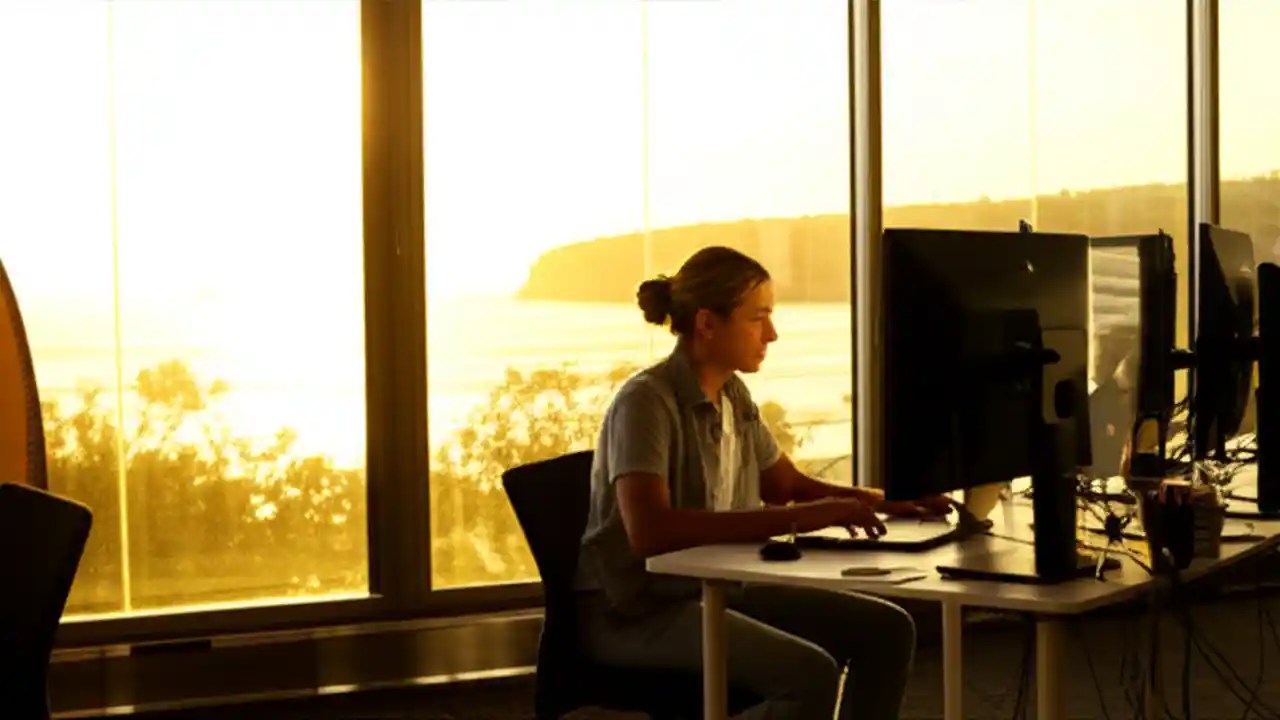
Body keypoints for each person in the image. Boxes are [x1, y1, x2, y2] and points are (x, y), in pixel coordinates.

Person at [574, 246, 951, 720]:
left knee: (889, 629)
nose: (771, 333)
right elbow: (650, 533)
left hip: (712, 589)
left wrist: (883, 499)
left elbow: (784, 483)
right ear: (708, 324)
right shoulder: (645, 403)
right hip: (636, 613)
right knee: (810, 674)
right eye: (759, 318)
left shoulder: (732, 392)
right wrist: (800, 518)